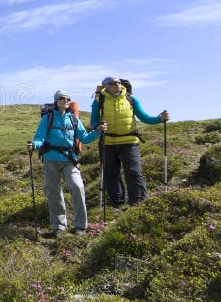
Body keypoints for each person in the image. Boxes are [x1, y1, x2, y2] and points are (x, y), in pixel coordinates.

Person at [28, 90, 106, 238]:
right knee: (54, 193)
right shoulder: (47, 118)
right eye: (62, 98)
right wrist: (34, 145)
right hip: (51, 159)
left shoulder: (74, 119)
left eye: (67, 98)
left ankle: (81, 225)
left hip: (69, 160)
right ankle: (58, 227)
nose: (65, 100)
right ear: (56, 102)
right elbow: (40, 137)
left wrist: (97, 131)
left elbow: (85, 138)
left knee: (77, 186)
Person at [90, 76, 170, 207]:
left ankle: (138, 203)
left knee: (134, 172)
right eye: (113, 83)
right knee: (111, 174)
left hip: (129, 141)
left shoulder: (131, 99)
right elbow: (93, 121)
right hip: (107, 142)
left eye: (118, 82)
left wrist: (159, 119)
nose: (117, 84)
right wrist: (97, 126)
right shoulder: (99, 100)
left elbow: (144, 117)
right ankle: (117, 204)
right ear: (106, 86)